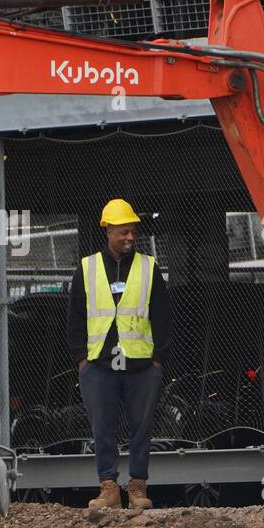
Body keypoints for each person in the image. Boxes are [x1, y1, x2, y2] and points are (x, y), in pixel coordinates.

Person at [67, 198, 173, 511]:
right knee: (103, 426)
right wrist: (81, 360)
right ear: (109, 231)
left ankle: (138, 487)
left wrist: (158, 359)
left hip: (141, 363)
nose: (130, 237)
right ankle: (109, 487)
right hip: (98, 363)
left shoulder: (148, 267)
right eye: (123, 232)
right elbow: (74, 317)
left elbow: (163, 316)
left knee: (143, 427)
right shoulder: (87, 268)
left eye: (133, 232)